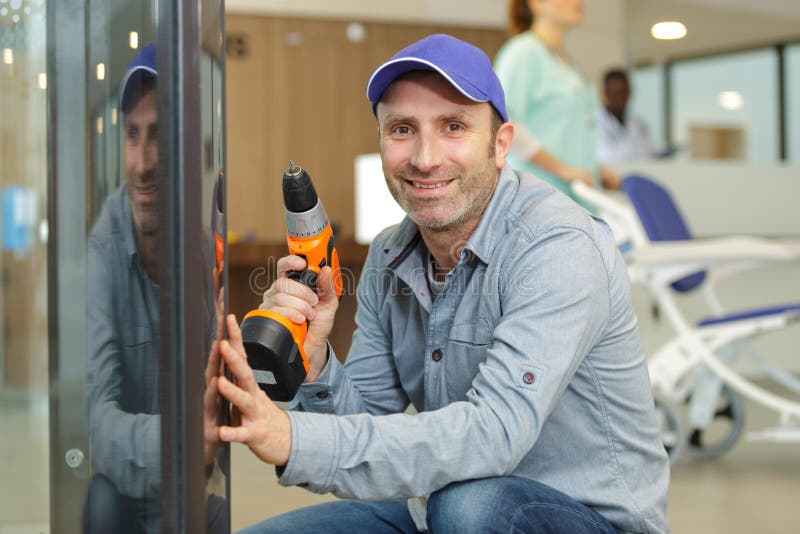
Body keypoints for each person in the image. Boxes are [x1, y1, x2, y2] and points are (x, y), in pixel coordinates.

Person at [217, 34, 669, 533]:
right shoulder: (389, 255)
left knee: (470, 509)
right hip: (442, 510)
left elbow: (494, 434)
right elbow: (361, 428)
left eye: (453, 127)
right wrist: (317, 356)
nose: (425, 158)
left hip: (582, 517)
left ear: (500, 146)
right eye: (402, 129)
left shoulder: (559, 247)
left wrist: (292, 439)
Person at [85, 43, 227, 533]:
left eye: (160, 136)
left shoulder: (206, 248)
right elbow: (97, 424)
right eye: (132, 136)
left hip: (191, 493)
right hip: (125, 493)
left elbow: (223, 422)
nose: (143, 162)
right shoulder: (102, 248)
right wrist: (186, 440)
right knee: (102, 503)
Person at [494, 0, 620, 208]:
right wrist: (562, 170)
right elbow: (503, 120)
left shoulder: (565, 60)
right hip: (538, 199)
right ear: (537, 4)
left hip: (575, 199)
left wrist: (596, 170)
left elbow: (564, 134)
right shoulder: (522, 52)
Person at [596, 69, 655, 164]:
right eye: (616, 93)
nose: (621, 98)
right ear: (606, 94)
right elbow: (605, 157)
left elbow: (649, 154)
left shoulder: (637, 125)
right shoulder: (594, 124)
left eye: (624, 92)